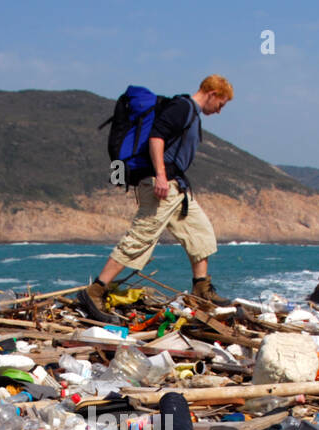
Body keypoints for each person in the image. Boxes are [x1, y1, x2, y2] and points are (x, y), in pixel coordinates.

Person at [80, 75, 234, 320]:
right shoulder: (182, 108)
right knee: (141, 237)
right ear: (213, 93)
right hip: (162, 185)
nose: (219, 111)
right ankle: (96, 290)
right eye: (221, 104)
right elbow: (156, 137)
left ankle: (202, 290)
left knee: (200, 231)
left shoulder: (191, 113)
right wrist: (161, 176)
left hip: (177, 188)